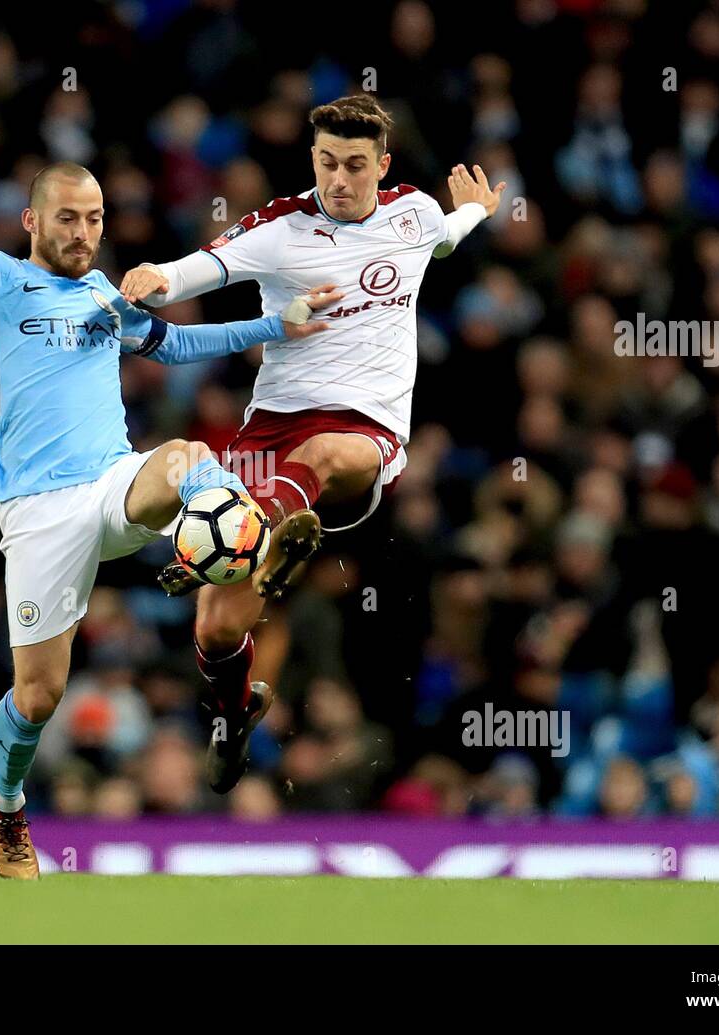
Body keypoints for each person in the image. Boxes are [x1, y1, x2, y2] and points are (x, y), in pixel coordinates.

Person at [0, 116, 338, 878]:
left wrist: (277, 323)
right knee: (38, 696)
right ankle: (4, 804)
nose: (84, 232)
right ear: (33, 219)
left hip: (112, 482)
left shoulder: (106, 293)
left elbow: (174, 345)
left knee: (188, 456)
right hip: (38, 510)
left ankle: (241, 540)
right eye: (68, 217)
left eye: (95, 218)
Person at [119, 94, 505, 792]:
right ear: (314, 159)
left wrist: (476, 210)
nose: (339, 179)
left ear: (381, 166)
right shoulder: (280, 228)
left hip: (365, 429)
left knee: (326, 453)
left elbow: (442, 238)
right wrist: (158, 279)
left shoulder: (413, 211)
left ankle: (254, 539)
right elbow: (208, 265)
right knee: (213, 627)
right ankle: (233, 715)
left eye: (356, 165)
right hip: (271, 431)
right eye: (327, 162)